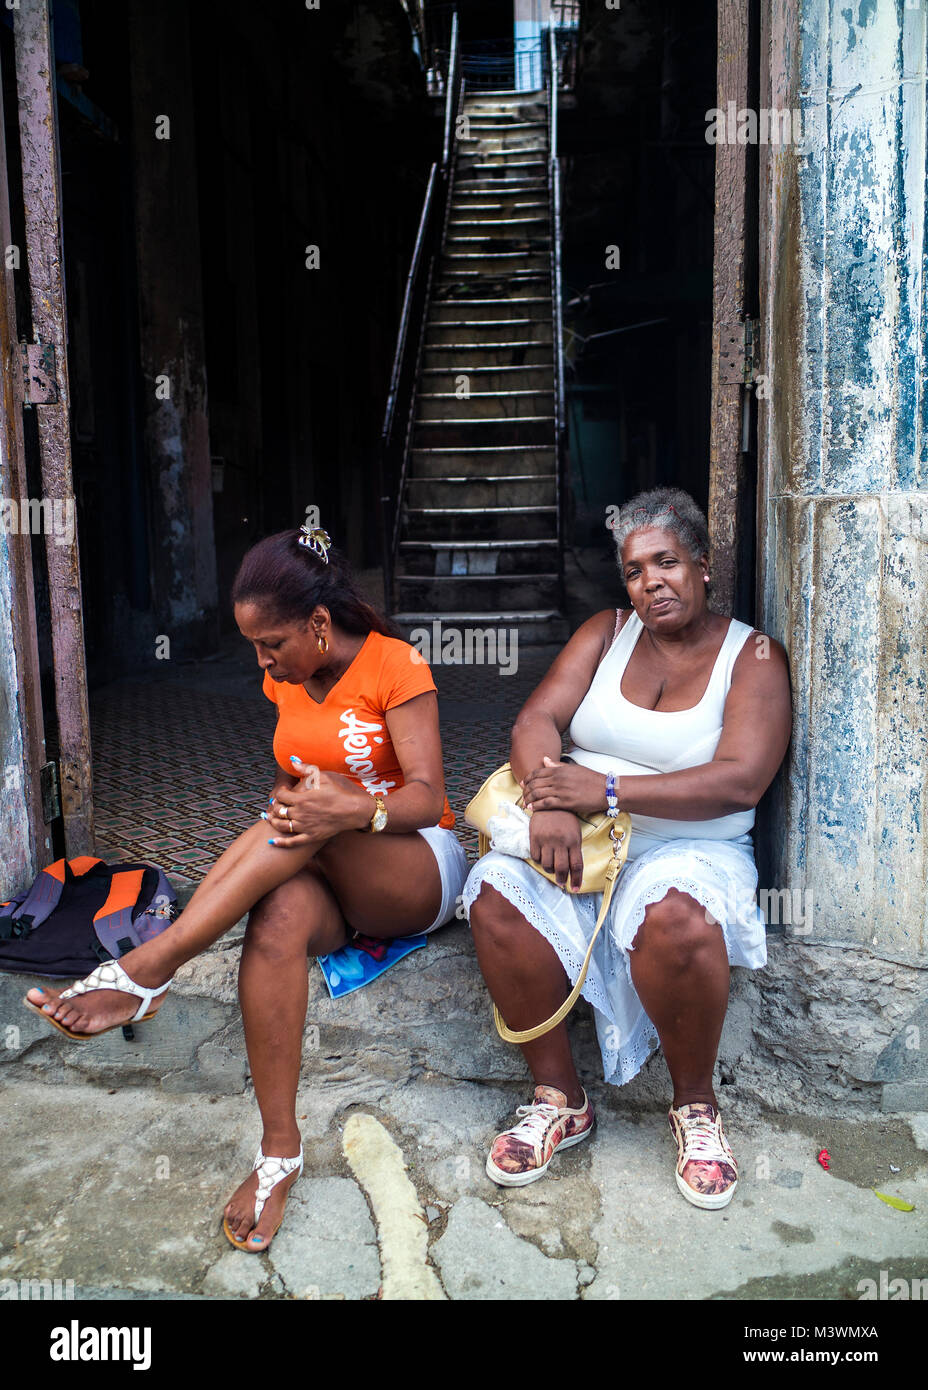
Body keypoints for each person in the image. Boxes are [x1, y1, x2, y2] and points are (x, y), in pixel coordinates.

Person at [24, 524, 468, 1250]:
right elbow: (290, 782)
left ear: (319, 624)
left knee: (307, 812)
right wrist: (310, 807)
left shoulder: (397, 666)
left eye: (273, 645)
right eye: (255, 647)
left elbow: (426, 797)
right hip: (325, 860)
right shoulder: (285, 677)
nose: (262, 663)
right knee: (277, 917)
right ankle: (278, 1152)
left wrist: (347, 807)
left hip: (415, 864)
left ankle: (151, 965)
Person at [464, 488, 792, 1209]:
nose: (652, 583)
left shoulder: (755, 657)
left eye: (667, 562)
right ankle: (559, 1097)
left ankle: (696, 1108)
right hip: (577, 835)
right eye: (636, 571)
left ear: (702, 567)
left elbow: (740, 781)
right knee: (493, 890)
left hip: (691, 847)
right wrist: (547, 795)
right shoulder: (604, 633)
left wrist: (604, 791)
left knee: (675, 913)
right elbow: (537, 718)